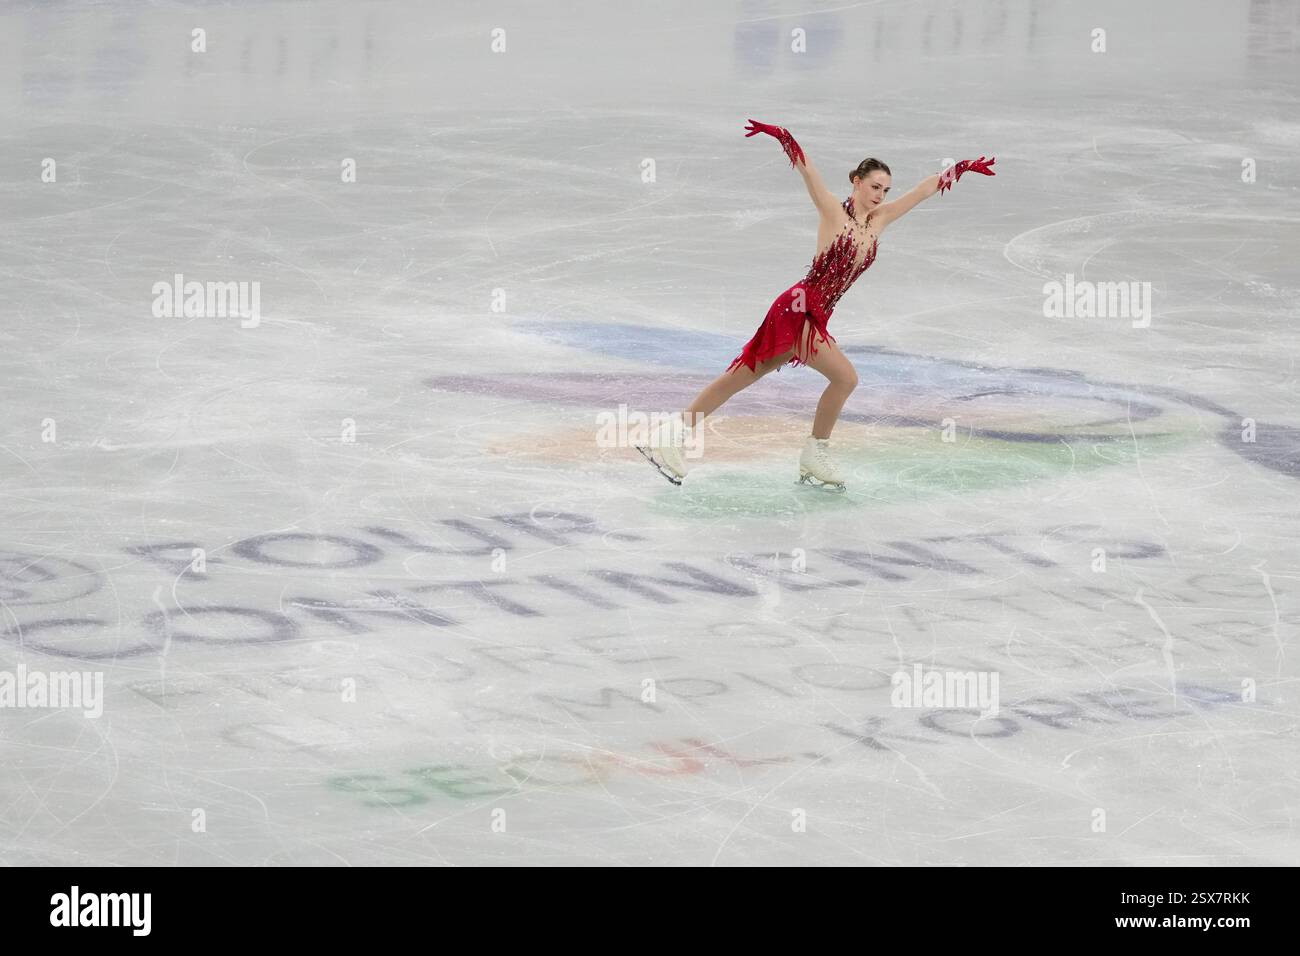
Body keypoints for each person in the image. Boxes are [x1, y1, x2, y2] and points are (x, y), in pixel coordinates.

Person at [636, 120, 994, 490]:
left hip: (814, 313)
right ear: (856, 181)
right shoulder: (833, 212)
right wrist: (782, 136)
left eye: (885, 190)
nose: (880, 195)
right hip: (797, 308)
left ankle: (670, 432)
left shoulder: (880, 220)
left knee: (740, 378)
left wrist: (962, 168)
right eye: (874, 187)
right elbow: (809, 170)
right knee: (844, 377)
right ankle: (814, 452)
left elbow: (922, 190)